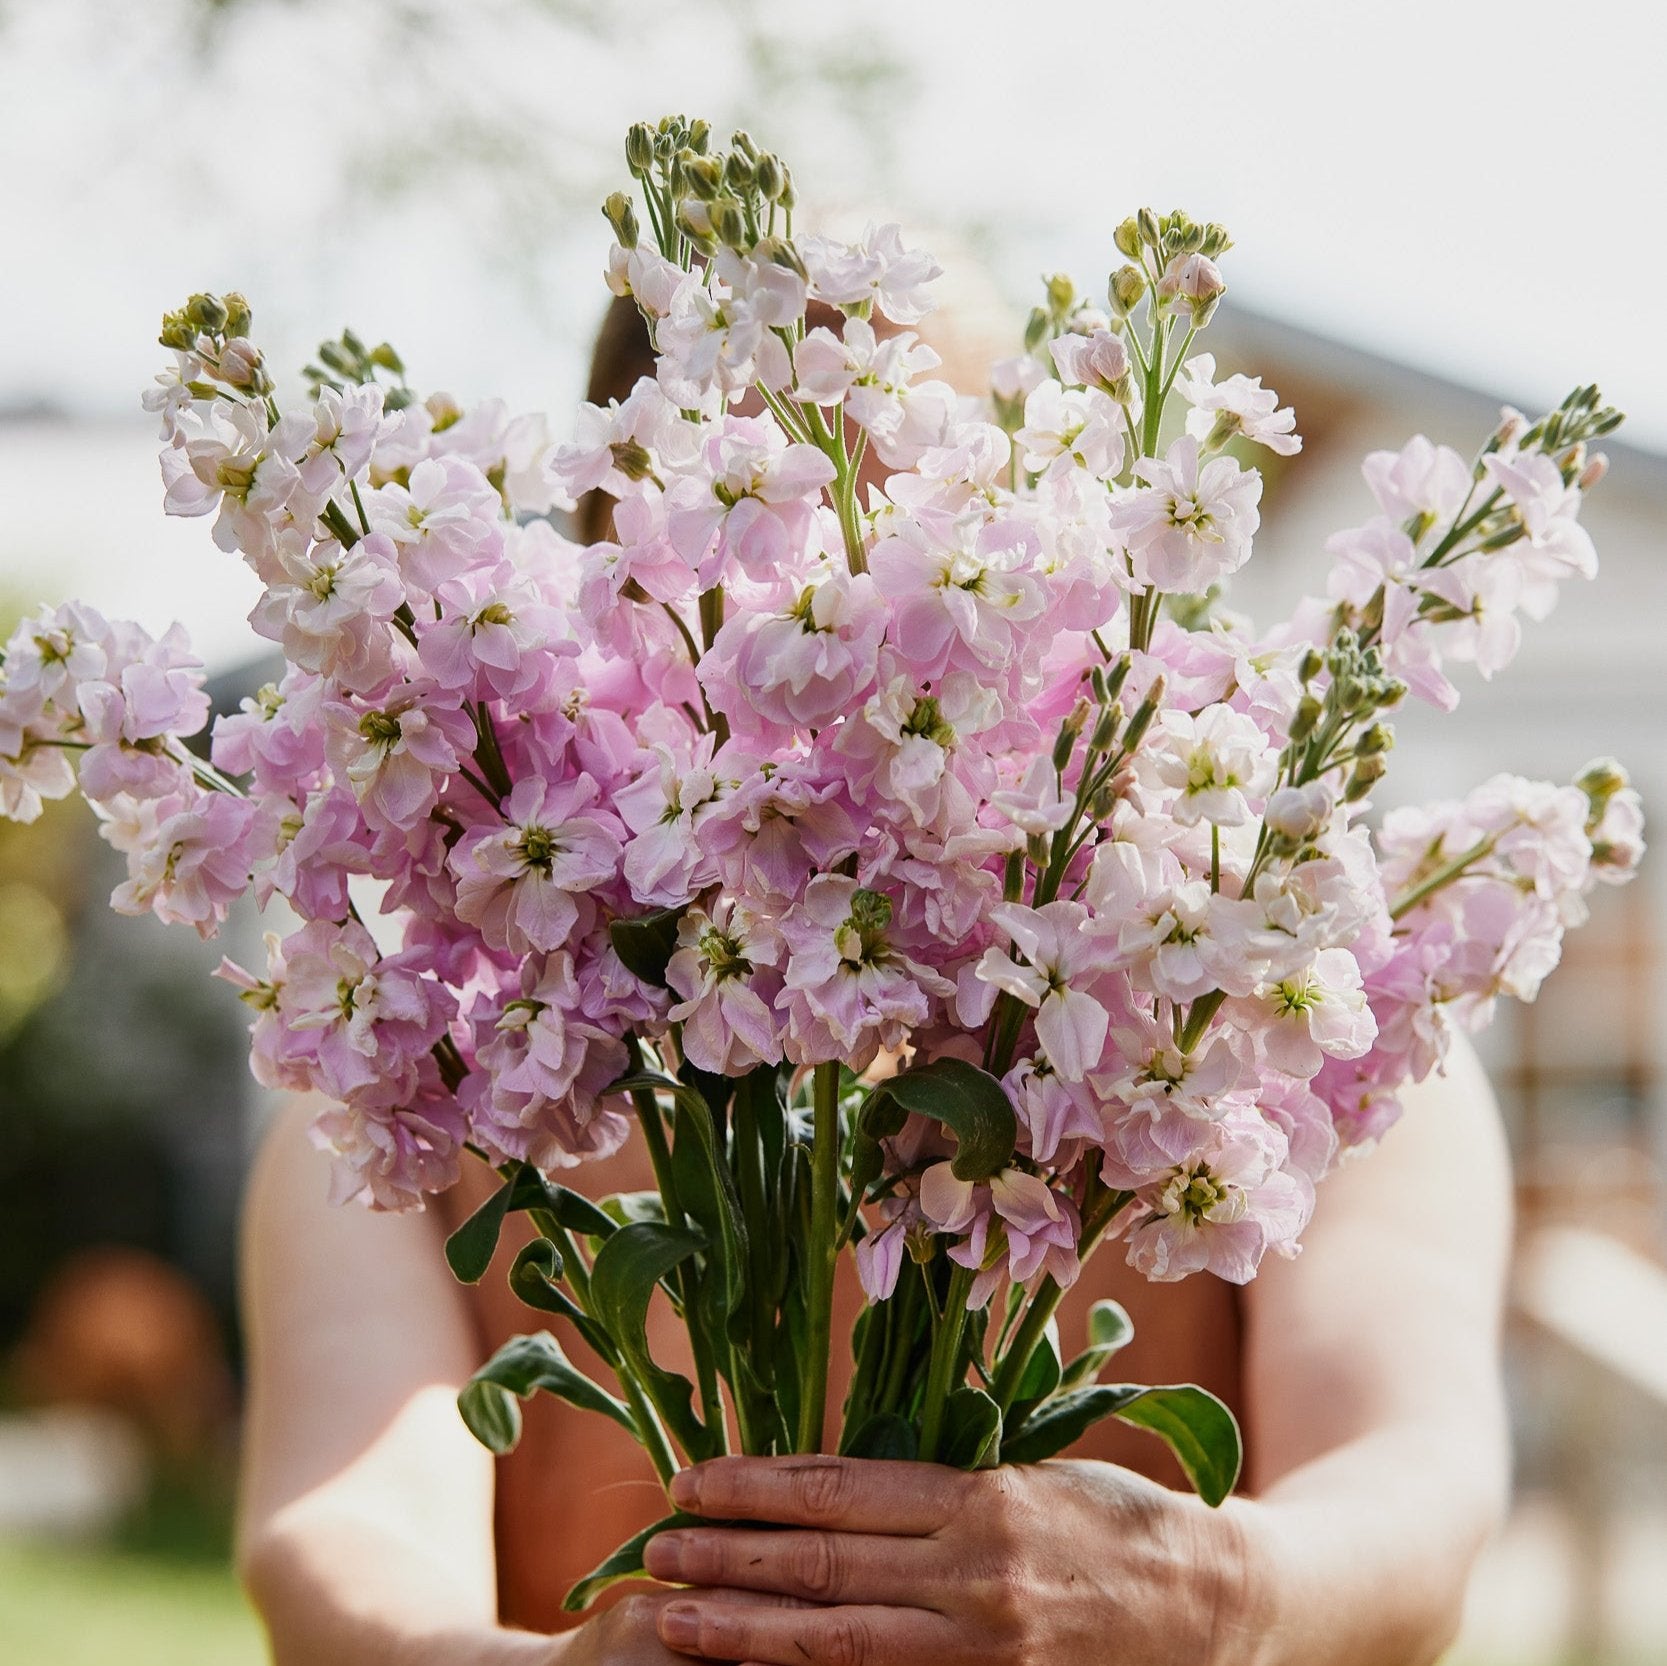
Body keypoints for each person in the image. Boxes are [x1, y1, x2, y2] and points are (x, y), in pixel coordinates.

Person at [235, 298, 1514, 1666]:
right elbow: (344, 1527)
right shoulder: (417, 1080)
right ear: (613, 573)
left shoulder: (1277, 1013)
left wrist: (1207, 1595)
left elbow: (1418, 1485)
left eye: (893, 527)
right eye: (749, 524)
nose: (827, 603)